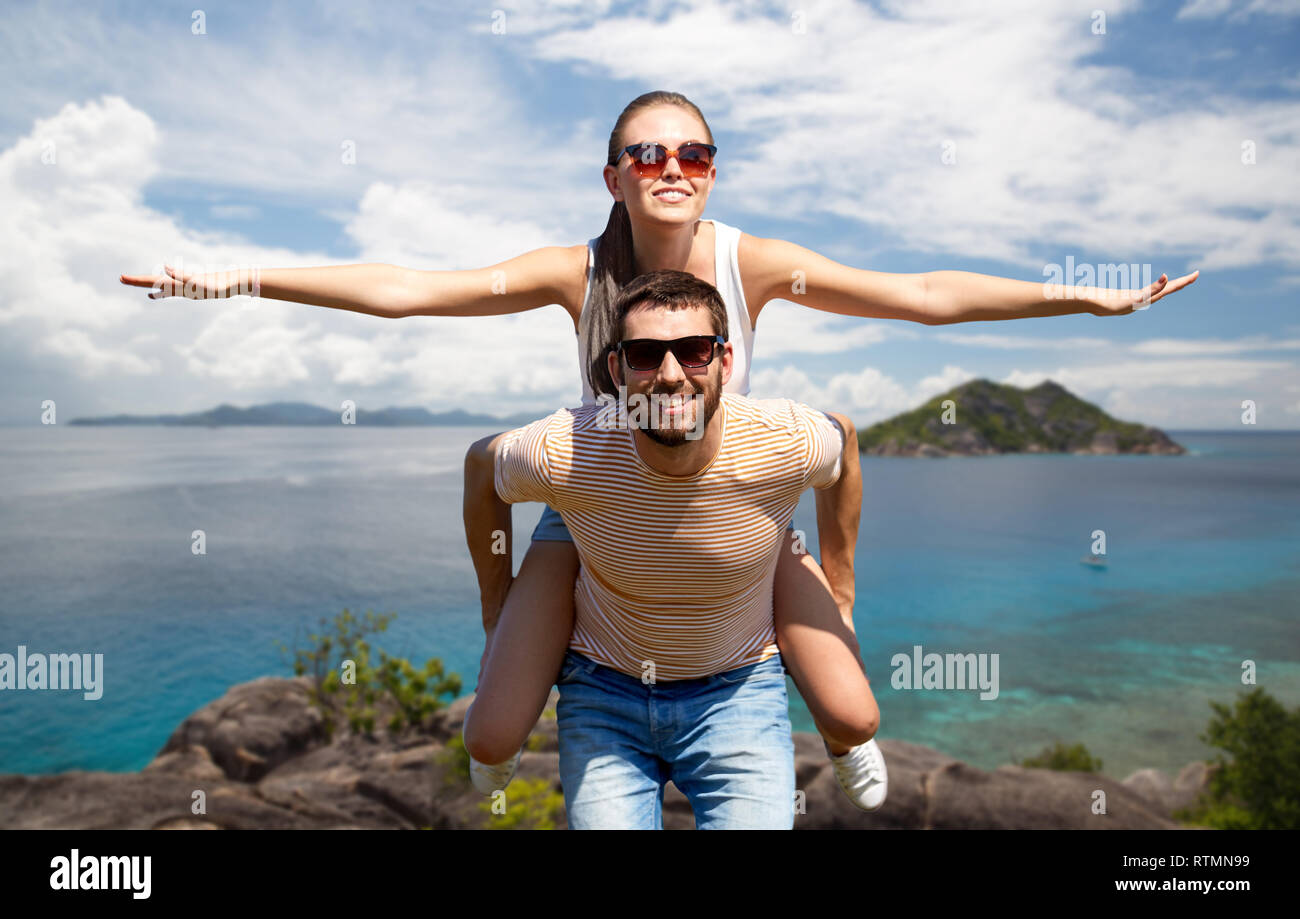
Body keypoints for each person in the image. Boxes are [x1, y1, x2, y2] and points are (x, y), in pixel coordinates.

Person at [120, 89, 1197, 812]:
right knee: (492, 732)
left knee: (852, 703)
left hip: (733, 502)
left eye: (693, 152)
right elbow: (407, 292)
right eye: (647, 152)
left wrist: (1083, 299)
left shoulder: (754, 262)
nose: (670, 166)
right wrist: (234, 277)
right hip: (600, 508)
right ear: (612, 175)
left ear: (713, 174)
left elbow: (921, 297)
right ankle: (536, 662)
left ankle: (842, 728)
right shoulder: (570, 270)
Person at [467, 268, 871, 828]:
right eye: (645, 355)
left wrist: (842, 595)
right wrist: (496, 616)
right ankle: (507, 716)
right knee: (486, 738)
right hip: (604, 685)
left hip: (738, 687)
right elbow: (482, 467)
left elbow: (844, 440)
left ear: (725, 363)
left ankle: (842, 741)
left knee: (856, 718)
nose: (671, 374)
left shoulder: (784, 440)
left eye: (695, 351)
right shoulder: (566, 451)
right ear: (616, 369)